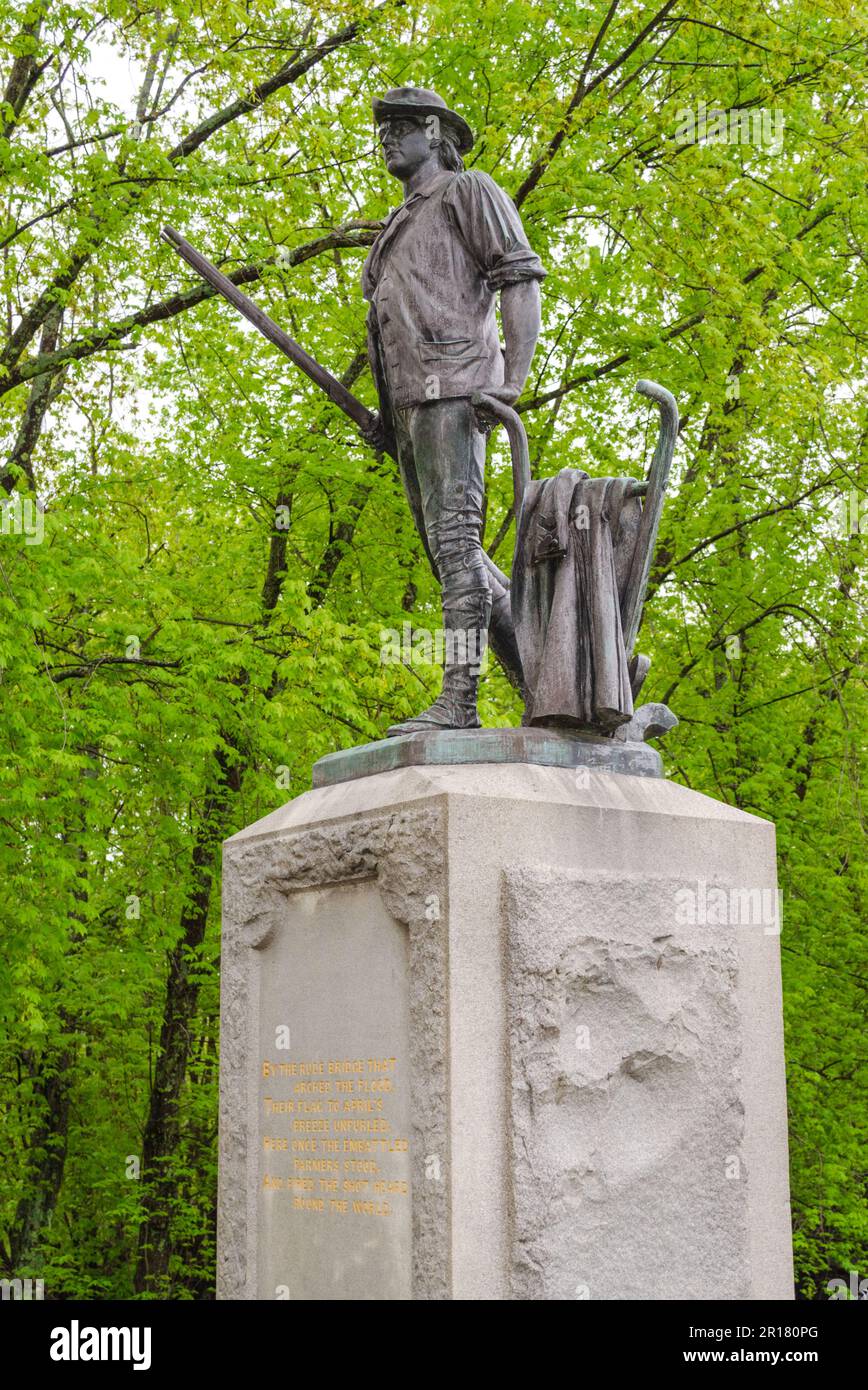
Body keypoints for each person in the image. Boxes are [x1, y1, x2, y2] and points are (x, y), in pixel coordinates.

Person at [360, 86, 545, 735]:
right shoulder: (394, 230)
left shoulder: (471, 193)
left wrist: (512, 381)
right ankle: (550, 684)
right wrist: (386, 419)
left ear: (434, 130)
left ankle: (458, 703)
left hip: (457, 391)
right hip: (411, 412)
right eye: (382, 130)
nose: (386, 138)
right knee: (455, 559)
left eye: (399, 127)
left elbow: (518, 277)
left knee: (459, 548)